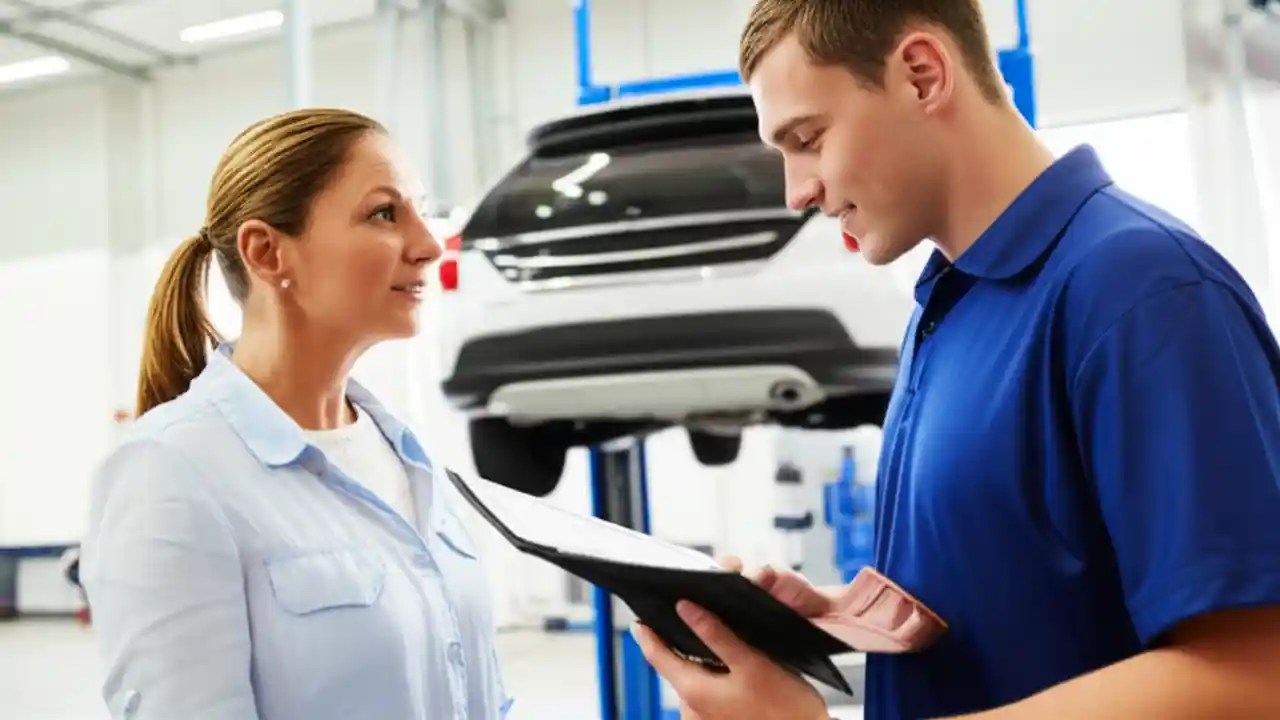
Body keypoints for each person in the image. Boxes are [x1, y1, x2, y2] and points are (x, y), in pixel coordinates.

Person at [635, 1, 1280, 718]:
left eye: (809, 139)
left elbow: (1255, 678)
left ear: (922, 74)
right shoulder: (948, 304)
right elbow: (1021, 584)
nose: (797, 192)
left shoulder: (1143, 290)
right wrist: (840, 616)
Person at [79, 108, 512, 720]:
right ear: (267, 252)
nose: (429, 244)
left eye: (419, 210)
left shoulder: (405, 456)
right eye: (384, 214)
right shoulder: (171, 474)